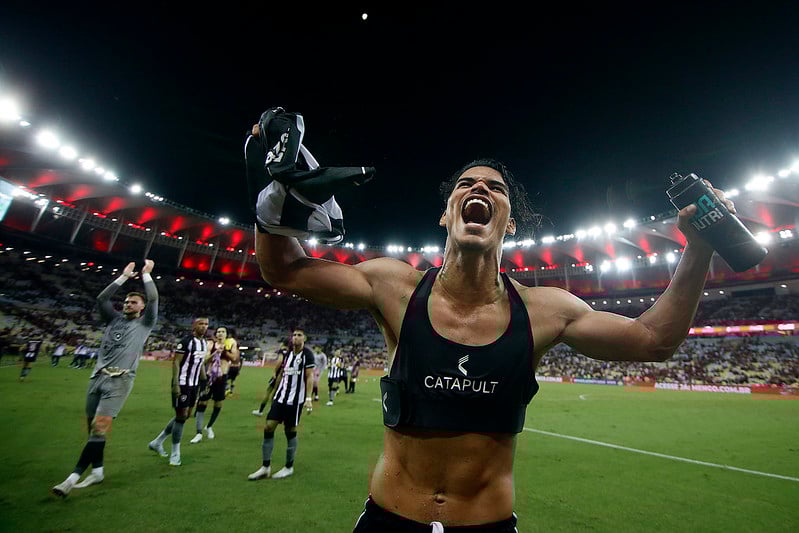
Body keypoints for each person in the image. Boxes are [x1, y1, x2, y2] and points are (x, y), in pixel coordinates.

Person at [249, 115, 733, 530]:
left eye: (494, 188)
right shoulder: (393, 287)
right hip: (388, 523)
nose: (479, 188)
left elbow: (653, 340)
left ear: (510, 222)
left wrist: (700, 247)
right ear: (446, 215)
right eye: (466, 184)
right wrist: (273, 207)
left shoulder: (547, 310)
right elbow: (284, 269)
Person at [51, 260, 158, 498]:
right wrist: (122, 277)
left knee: (99, 428)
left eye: (134, 302)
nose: (128, 304)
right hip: (96, 377)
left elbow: (153, 299)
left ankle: (72, 478)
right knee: (93, 428)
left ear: (141, 308)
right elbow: (101, 299)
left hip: (120, 381)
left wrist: (147, 276)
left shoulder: (145, 323)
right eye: (127, 302)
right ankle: (98, 471)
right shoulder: (113, 319)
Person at [247, 329, 314, 481]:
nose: (296, 337)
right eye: (294, 335)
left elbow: (309, 377)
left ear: (304, 338)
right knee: (268, 426)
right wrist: (274, 392)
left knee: (290, 430)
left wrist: (308, 398)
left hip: (295, 400)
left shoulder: (307, 355)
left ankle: (288, 467)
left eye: (299, 335)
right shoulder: (287, 354)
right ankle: (265, 467)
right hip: (280, 397)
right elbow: (282, 375)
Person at [148, 317, 211, 466]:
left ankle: (157, 442)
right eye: (201, 324)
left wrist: (204, 382)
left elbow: (200, 363)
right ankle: (175, 453)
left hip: (194, 385)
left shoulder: (203, 343)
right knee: (181, 416)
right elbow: (176, 362)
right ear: (194, 326)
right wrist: (175, 384)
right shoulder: (186, 341)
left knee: (185, 415)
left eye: (206, 324)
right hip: (182, 383)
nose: (204, 326)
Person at [190, 325, 239, 443]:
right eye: (219, 332)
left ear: (227, 335)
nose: (221, 333)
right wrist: (215, 353)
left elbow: (235, 359)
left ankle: (209, 426)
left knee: (218, 404)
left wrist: (225, 352)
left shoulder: (231, 344)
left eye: (223, 332)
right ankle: (198, 432)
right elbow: (205, 360)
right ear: (216, 334)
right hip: (209, 376)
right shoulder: (210, 344)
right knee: (202, 402)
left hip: (222, 377)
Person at [251, 340, 289, 417]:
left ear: (283, 343)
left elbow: (280, 361)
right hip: (286, 374)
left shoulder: (282, 351)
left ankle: (260, 411)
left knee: (269, 391)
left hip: (279, 373)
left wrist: (275, 371)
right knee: (277, 393)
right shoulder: (290, 352)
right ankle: (273, 411)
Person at [224, 327, 242, 397]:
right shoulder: (238, 352)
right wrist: (239, 370)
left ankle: (227, 389)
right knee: (233, 380)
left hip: (230, 367)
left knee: (224, 378)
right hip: (236, 367)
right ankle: (231, 392)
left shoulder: (232, 351)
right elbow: (240, 361)